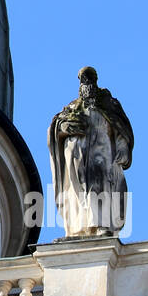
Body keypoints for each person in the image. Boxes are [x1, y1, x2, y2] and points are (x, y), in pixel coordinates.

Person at [48, 66, 133, 237]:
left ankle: (101, 225)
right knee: (77, 187)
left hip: (102, 151)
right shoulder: (73, 107)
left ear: (95, 81)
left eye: (89, 78)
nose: (86, 83)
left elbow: (121, 128)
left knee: (99, 184)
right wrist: (64, 126)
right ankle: (79, 227)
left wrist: (122, 148)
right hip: (76, 154)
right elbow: (57, 127)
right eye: (83, 79)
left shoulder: (109, 104)